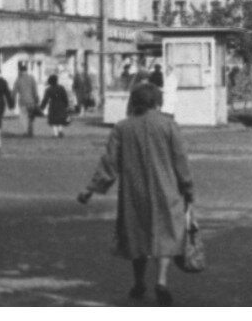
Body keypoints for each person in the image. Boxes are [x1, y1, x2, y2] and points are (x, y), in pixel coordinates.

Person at [78, 82, 195, 307]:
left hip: (134, 193)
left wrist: (90, 189)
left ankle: (139, 281)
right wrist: (188, 189)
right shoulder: (169, 126)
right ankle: (161, 280)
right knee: (167, 234)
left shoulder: (122, 128)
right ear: (157, 101)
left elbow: (109, 164)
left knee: (137, 234)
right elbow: (181, 162)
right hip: (166, 189)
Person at [40, 74, 71, 138]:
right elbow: (65, 97)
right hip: (61, 105)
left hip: (53, 105)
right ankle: (60, 131)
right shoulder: (61, 88)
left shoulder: (48, 89)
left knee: (53, 121)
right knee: (60, 119)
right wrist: (67, 105)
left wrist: (42, 107)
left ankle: (55, 134)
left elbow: (45, 99)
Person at [13, 64, 40, 138]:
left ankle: (25, 132)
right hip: (32, 101)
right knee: (31, 117)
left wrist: (12, 101)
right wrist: (37, 99)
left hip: (23, 102)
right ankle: (31, 132)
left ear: (20, 71)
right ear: (26, 70)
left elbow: (14, 92)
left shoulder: (18, 79)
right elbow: (35, 90)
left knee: (24, 117)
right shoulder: (32, 78)